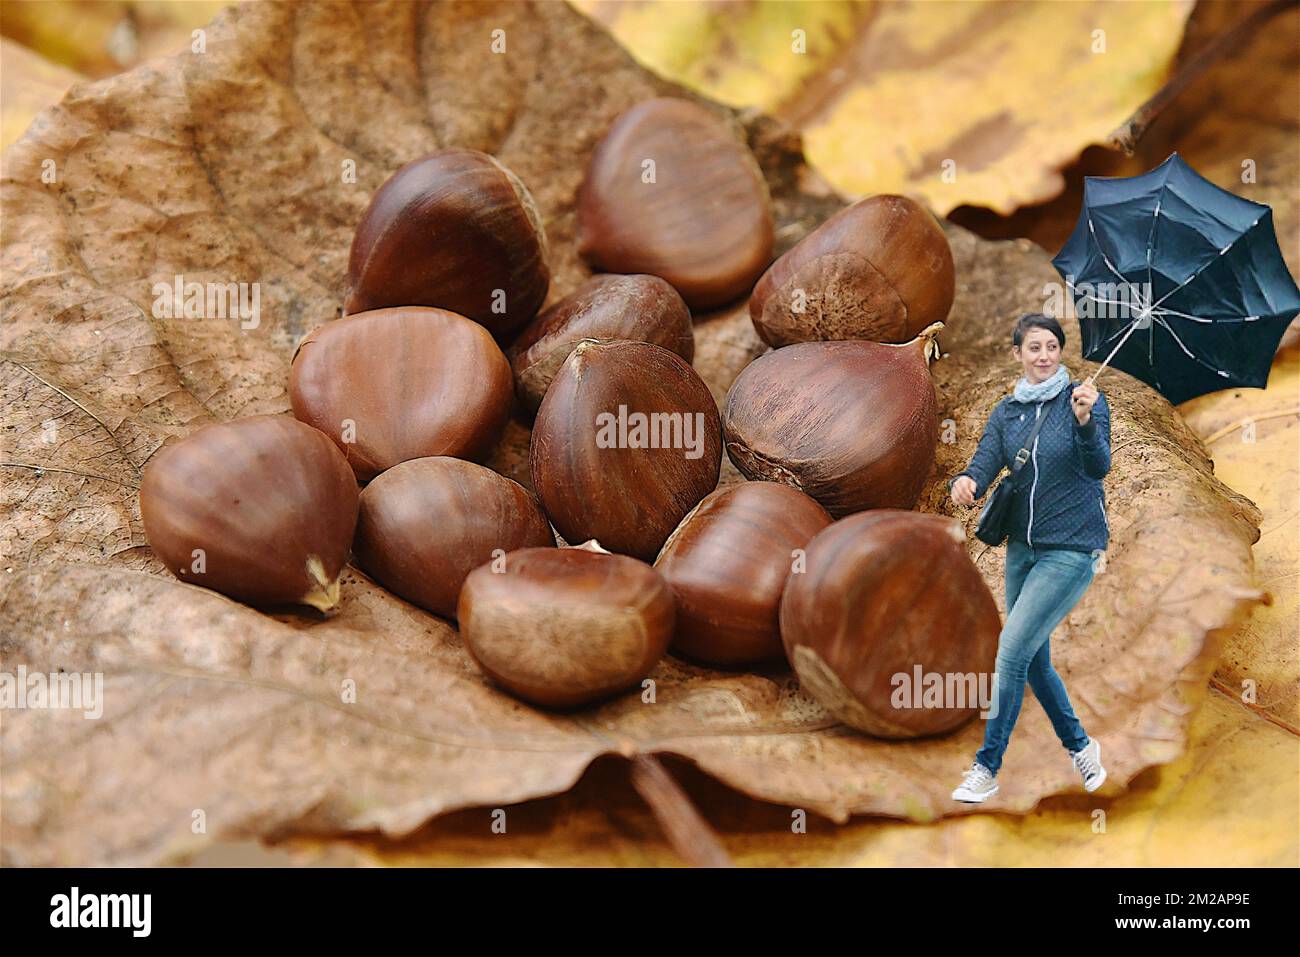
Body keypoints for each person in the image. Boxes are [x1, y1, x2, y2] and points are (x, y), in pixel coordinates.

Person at [947, 313, 1111, 803]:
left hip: (1072, 548)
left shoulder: (1084, 400)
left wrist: (1084, 423)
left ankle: (986, 766)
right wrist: (967, 481)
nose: (1044, 356)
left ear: (1061, 352)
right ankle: (1082, 749)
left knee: (1011, 651)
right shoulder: (1008, 412)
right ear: (1017, 353)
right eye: (1034, 347)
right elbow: (985, 459)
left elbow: (1099, 465)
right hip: (1022, 549)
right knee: (1035, 660)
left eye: (1052, 347)